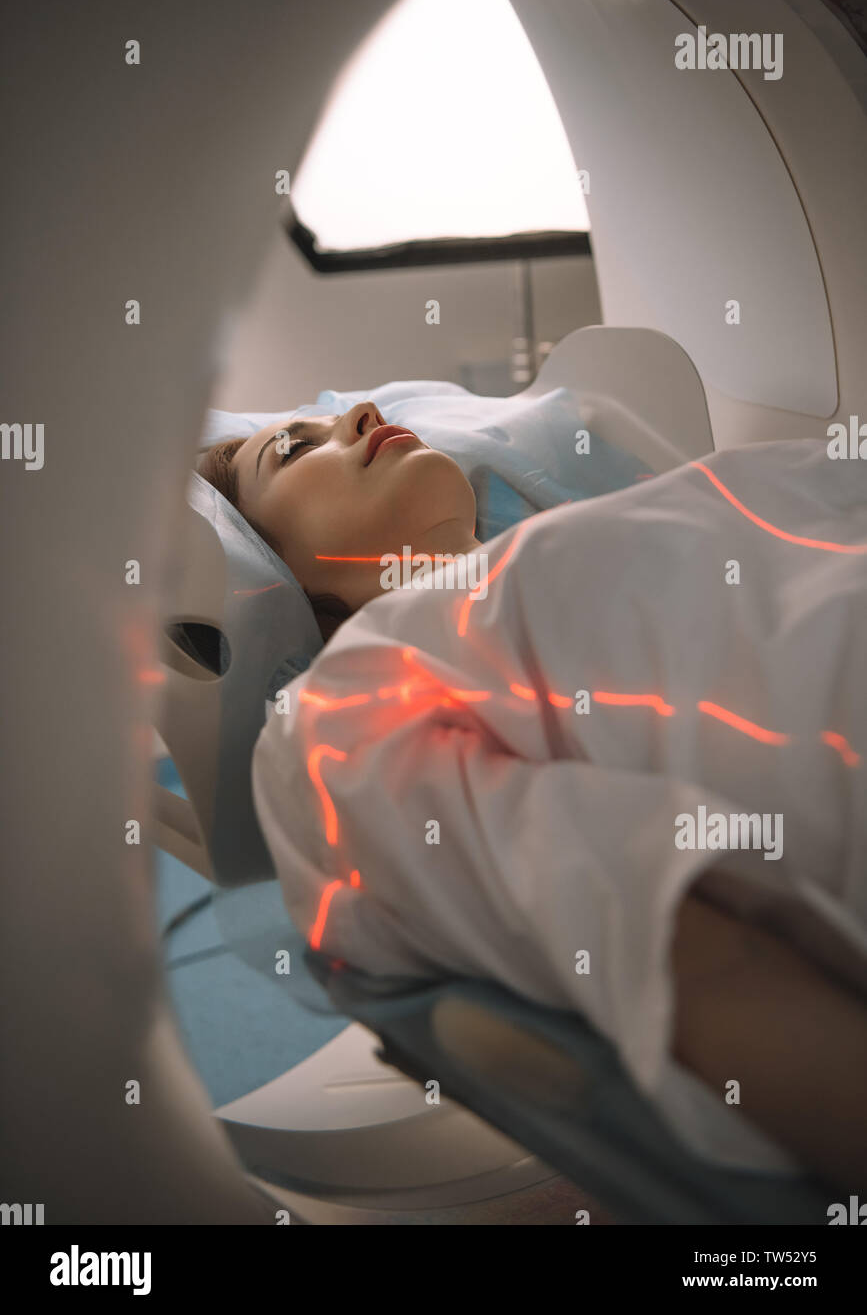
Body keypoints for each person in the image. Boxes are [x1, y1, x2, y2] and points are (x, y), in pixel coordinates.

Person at [198, 403, 867, 1193]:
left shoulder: (648, 514)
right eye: (294, 447)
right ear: (275, 576)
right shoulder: (344, 713)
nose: (362, 413)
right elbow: (705, 968)